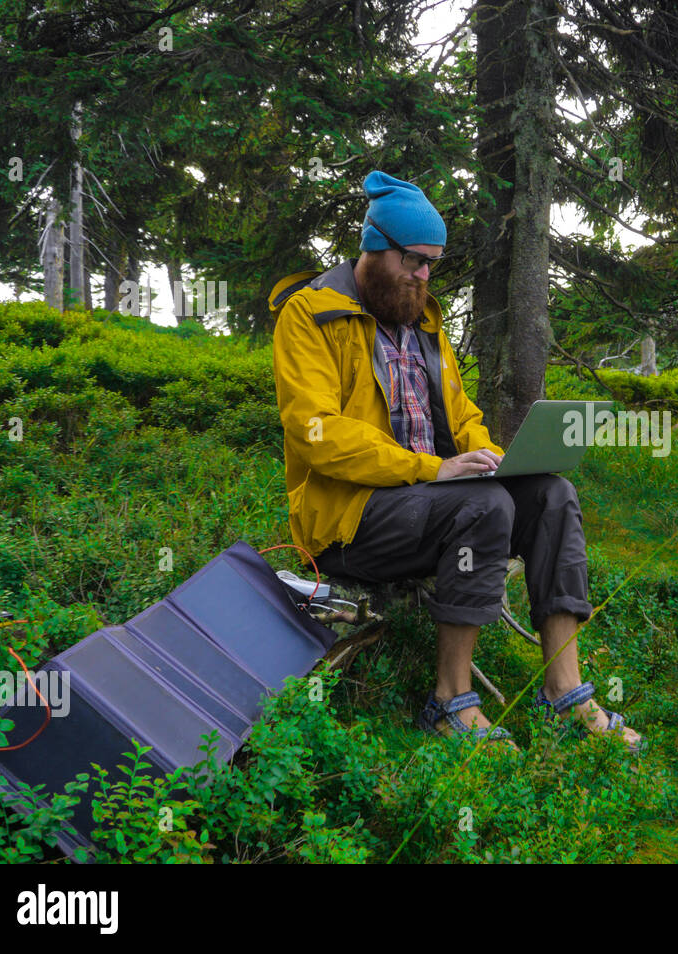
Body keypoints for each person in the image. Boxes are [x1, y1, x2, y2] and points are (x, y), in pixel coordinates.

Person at [270, 170, 641, 752]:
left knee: (552, 497)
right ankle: (448, 701)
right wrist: (432, 470)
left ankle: (562, 693)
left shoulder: (425, 325)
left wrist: (483, 450)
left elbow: (459, 412)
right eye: (414, 261)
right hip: (348, 521)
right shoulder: (310, 315)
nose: (423, 276)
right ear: (374, 247)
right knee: (482, 505)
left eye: (432, 264)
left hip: (430, 503)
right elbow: (317, 433)